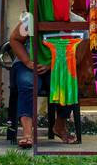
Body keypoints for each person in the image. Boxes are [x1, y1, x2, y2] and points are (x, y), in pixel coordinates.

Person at [8, 17, 75, 147]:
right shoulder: (31, 18)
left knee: (67, 83)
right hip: (28, 62)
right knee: (28, 83)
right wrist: (27, 61)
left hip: (57, 64)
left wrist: (51, 65)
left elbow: (76, 57)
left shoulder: (77, 21)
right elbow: (15, 40)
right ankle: (27, 133)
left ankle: (59, 126)